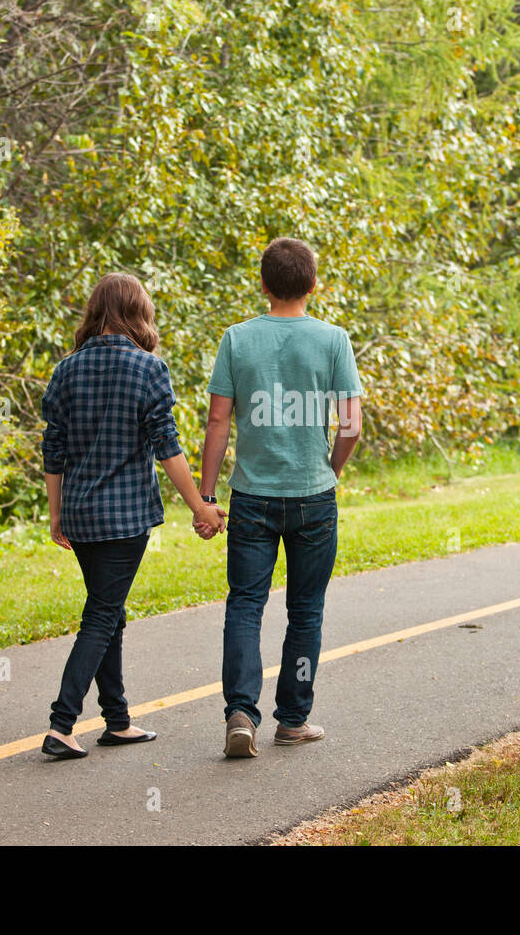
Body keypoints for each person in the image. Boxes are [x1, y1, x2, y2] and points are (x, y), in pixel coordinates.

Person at [40, 272, 225, 760]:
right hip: (123, 518)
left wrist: (56, 515)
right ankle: (61, 724)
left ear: (95, 312)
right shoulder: (148, 368)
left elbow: (53, 450)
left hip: (79, 514)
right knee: (102, 614)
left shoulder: (66, 370)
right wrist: (200, 506)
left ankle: (117, 720)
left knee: (109, 610)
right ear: (138, 313)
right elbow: (168, 447)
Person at [197, 238, 363, 758]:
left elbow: (218, 420)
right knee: (306, 610)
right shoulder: (334, 340)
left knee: (245, 605)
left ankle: (241, 713)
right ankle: (292, 720)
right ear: (313, 285)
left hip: (252, 497)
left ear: (264, 285)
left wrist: (205, 495)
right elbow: (352, 424)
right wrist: (328, 470)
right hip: (314, 497)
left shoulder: (236, 340)